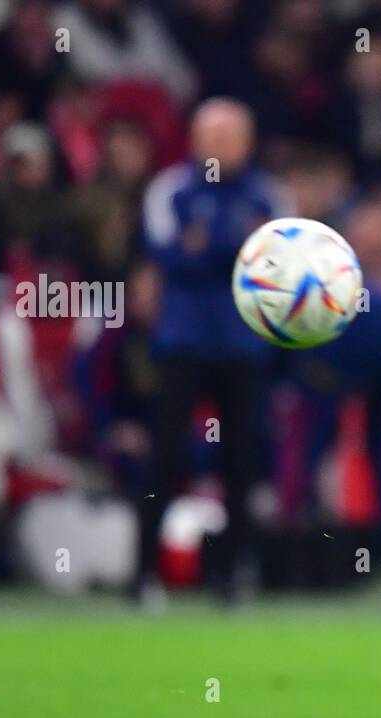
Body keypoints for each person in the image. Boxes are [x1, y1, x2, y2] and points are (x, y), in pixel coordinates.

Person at [137, 97, 285, 606]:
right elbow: (169, 252)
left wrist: (206, 248)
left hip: (243, 343)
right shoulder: (170, 189)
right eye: (210, 135)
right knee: (164, 455)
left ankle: (230, 574)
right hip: (183, 340)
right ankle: (143, 573)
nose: (219, 146)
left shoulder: (268, 194)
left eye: (230, 136)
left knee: (240, 461)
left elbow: (274, 264)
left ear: (247, 142)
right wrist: (224, 250)